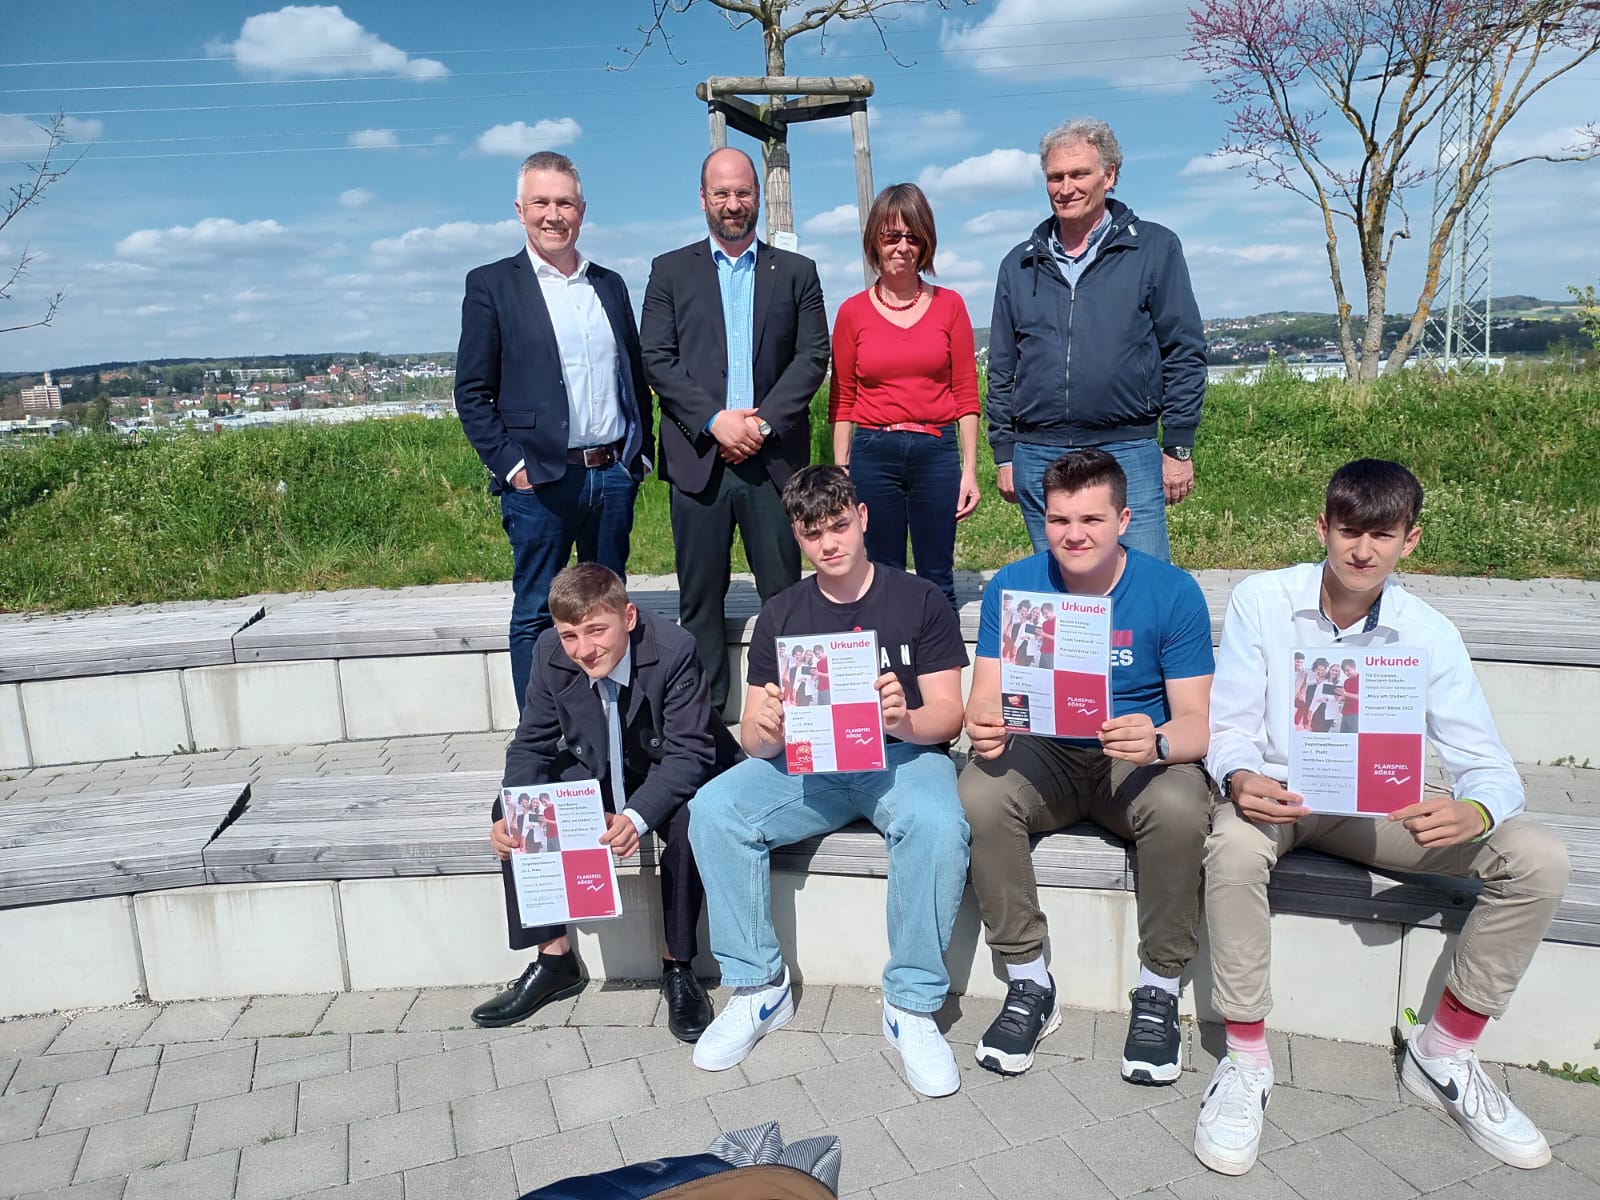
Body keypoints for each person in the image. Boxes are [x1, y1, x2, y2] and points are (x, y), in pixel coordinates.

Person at [1195, 459, 1571, 1177]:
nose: (1362, 550)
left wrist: (1475, 807)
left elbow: (1485, 761)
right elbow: (1232, 723)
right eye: (1348, 530)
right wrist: (1240, 776)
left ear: (1411, 540)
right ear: (1323, 529)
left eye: (1382, 534)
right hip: (1281, 798)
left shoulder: (1427, 632)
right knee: (1234, 850)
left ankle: (1445, 1048)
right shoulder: (1262, 601)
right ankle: (1245, 1060)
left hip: (1381, 808)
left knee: (1539, 858)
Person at [687, 466, 971, 1097]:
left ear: (863, 518)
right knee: (712, 809)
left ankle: (912, 1005)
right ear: (797, 535)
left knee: (936, 822)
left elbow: (949, 713)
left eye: (840, 526)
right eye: (814, 533)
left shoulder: (918, 599)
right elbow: (756, 742)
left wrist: (905, 718)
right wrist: (765, 726)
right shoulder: (782, 613)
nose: (830, 544)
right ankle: (760, 987)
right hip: (809, 766)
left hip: (900, 757)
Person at [959, 449, 1215, 1083]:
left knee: (1182, 807)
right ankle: (1028, 979)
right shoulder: (1013, 586)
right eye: (1059, 519)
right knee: (977, 793)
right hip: (1044, 752)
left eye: (1091, 519)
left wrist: (1156, 741)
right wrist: (983, 726)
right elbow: (984, 700)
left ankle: (1158, 987)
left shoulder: (1171, 591)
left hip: (1131, 757)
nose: (1074, 534)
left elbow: (1197, 725)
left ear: (1124, 519)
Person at [471, 564, 743, 1043]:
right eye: (570, 634)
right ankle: (554, 959)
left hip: (670, 763)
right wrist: (515, 808)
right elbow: (531, 744)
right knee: (512, 809)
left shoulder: (675, 649)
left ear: (629, 617)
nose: (584, 649)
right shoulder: (551, 653)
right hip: (596, 765)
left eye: (597, 630)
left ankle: (678, 965)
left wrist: (637, 817)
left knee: (690, 818)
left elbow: (690, 754)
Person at [454, 151, 654, 711]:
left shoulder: (608, 285)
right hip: (540, 481)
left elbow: (633, 376)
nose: (553, 214)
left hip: (611, 474)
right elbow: (472, 392)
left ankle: (609, 724)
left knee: (605, 612)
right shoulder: (492, 285)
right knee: (538, 612)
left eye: (564, 202)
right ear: (519, 210)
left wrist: (638, 457)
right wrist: (511, 465)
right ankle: (542, 736)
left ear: (582, 211)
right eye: (540, 202)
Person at [641, 147, 830, 717]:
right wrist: (715, 420)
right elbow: (657, 356)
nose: (733, 203)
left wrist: (763, 422)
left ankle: (798, 716)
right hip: (699, 460)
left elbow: (811, 355)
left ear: (757, 198)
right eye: (721, 193)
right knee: (699, 600)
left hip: (772, 463)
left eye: (743, 192)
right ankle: (704, 726)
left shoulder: (797, 272)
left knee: (788, 596)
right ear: (702, 198)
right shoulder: (669, 270)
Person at [986, 118, 1206, 563]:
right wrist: (1004, 452)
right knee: (1064, 588)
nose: (1065, 187)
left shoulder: (1154, 249)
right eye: (1055, 177)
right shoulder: (1019, 264)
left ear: (1109, 175)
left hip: (1127, 449)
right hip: (1038, 453)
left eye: (1079, 174)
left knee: (1143, 582)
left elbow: (1183, 351)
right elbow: (1003, 365)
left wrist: (1178, 446)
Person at [828, 183, 981, 611]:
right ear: (874, 241)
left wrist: (969, 470)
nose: (902, 247)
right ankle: (889, 670)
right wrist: (842, 469)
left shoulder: (950, 306)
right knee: (882, 571)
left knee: (937, 575)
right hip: (874, 451)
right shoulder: (852, 312)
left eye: (912, 237)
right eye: (891, 236)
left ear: (926, 243)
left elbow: (966, 393)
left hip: (936, 450)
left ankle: (943, 672)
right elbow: (842, 398)